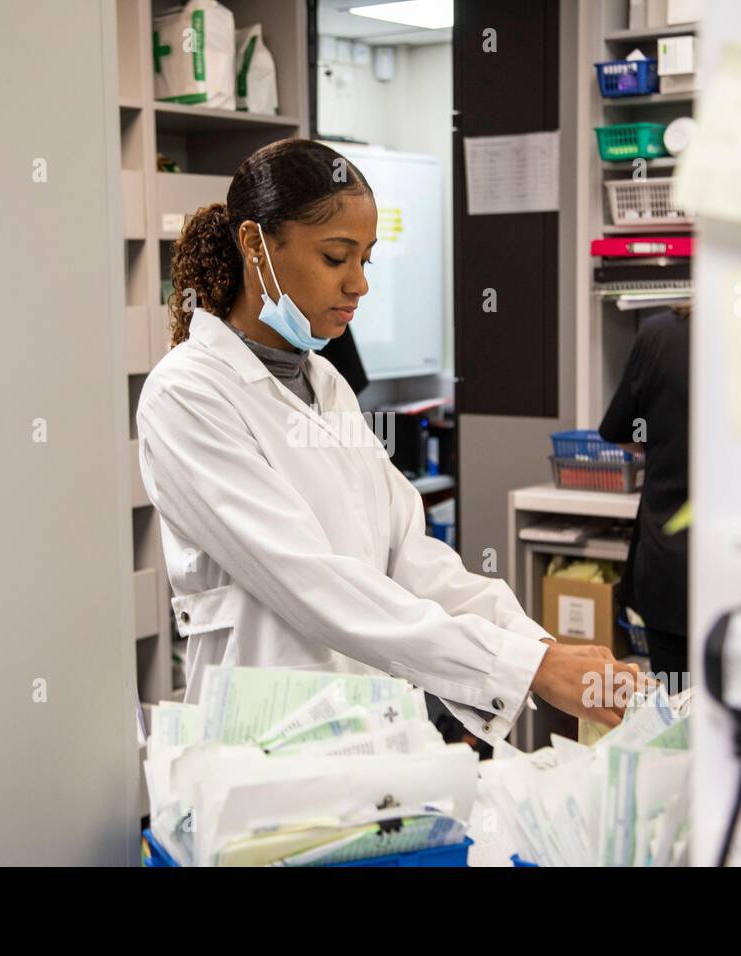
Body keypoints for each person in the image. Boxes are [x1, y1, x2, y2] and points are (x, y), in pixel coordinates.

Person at [136, 138, 640, 747]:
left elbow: (410, 557)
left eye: (366, 260)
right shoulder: (186, 395)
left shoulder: (327, 385)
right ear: (254, 245)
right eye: (335, 257)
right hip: (266, 746)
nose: (358, 285)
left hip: (372, 731)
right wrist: (522, 668)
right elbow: (312, 582)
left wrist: (537, 647)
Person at [598, 306, 690, 686]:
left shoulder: (662, 333)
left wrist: (665, 446)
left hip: (671, 569)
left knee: (674, 719)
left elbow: (618, 429)